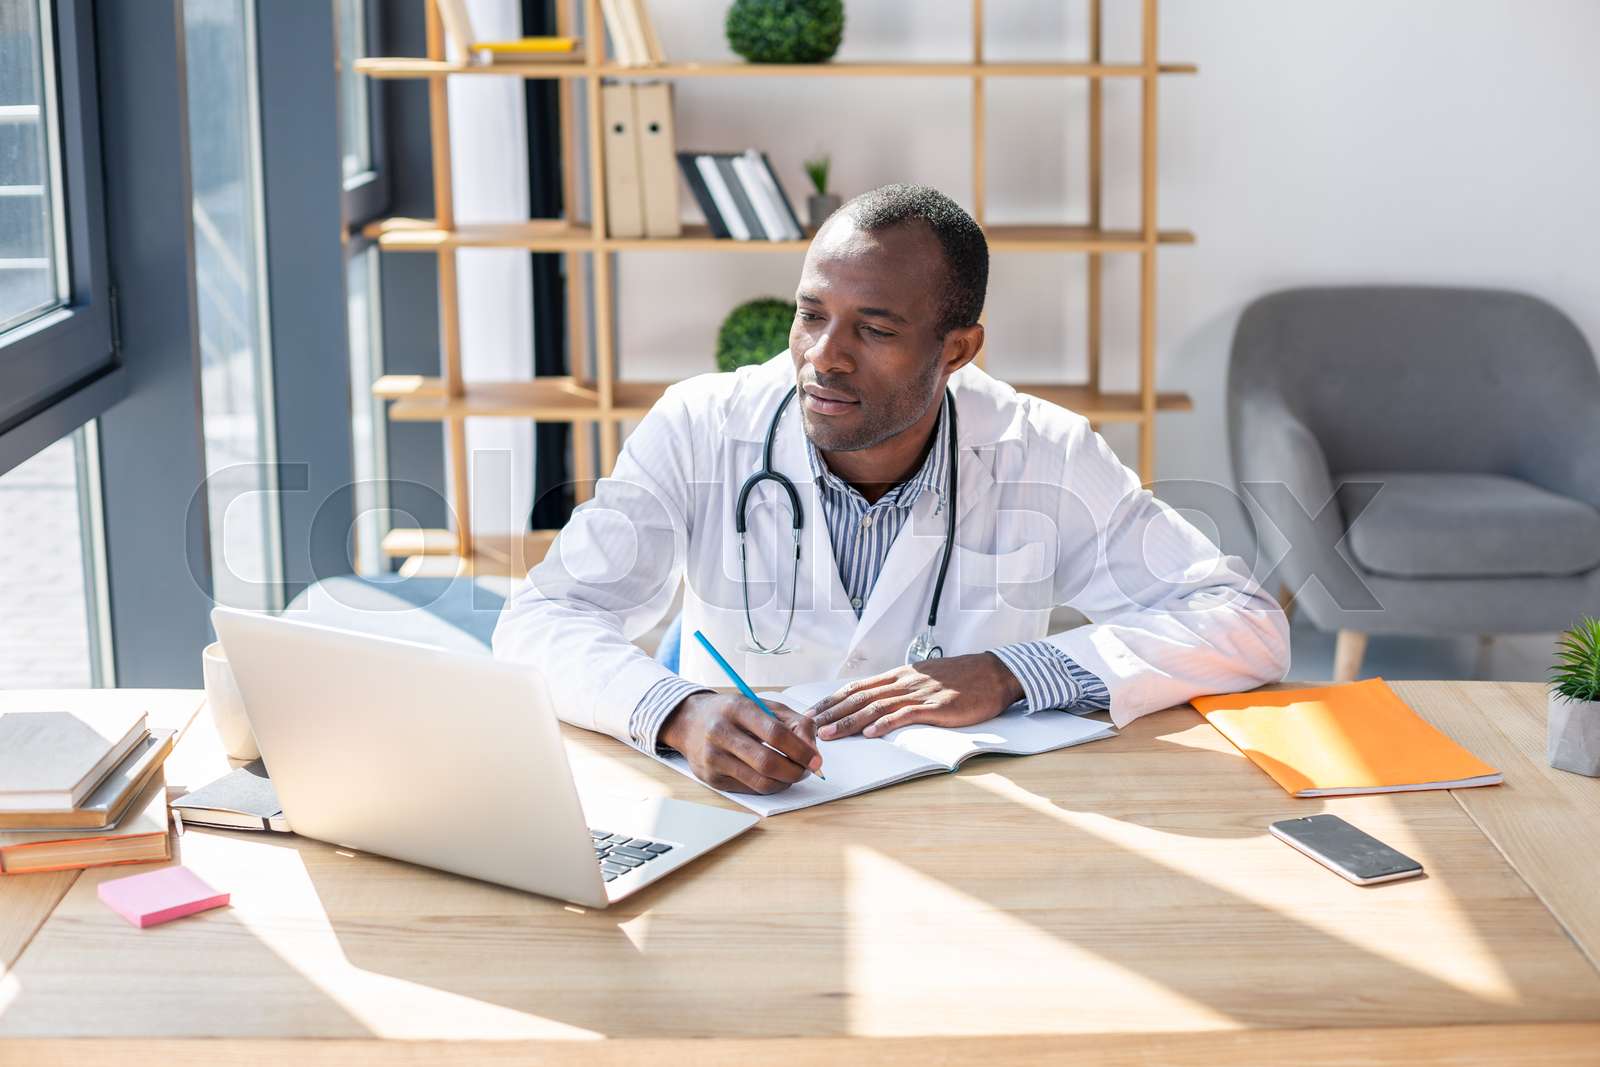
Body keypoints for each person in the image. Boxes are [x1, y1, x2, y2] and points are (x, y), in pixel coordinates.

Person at [493, 183, 1289, 795]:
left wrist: (1013, 671)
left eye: (873, 330)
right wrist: (675, 710)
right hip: (747, 813)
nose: (824, 357)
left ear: (958, 350)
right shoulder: (702, 425)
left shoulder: (1041, 450)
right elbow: (541, 618)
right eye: (811, 315)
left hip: (969, 816)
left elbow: (1244, 621)